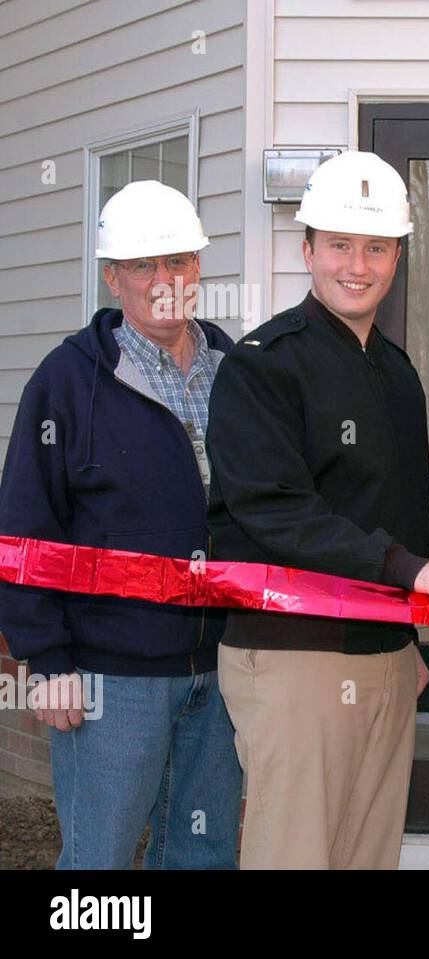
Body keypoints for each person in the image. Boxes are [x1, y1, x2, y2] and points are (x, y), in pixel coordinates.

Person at [206, 151, 429, 869]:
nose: (357, 265)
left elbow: (396, 513)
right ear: (307, 249)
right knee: (295, 855)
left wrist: (405, 643)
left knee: (367, 855)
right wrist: (410, 571)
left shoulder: (397, 373)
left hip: (385, 656)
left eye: (375, 247)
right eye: (339, 244)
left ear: (397, 255)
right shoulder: (261, 365)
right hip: (292, 656)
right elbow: (275, 511)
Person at [0, 180, 241, 868]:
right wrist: (45, 658)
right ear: (112, 276)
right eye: (143, 265)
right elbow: (24, 528)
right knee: (99, 860)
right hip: (109, 677)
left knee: (203, 852)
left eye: (178, 262)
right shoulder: (68, 381)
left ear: (198, 266)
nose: (164, 280)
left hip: (221, 668)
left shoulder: (238, 369)